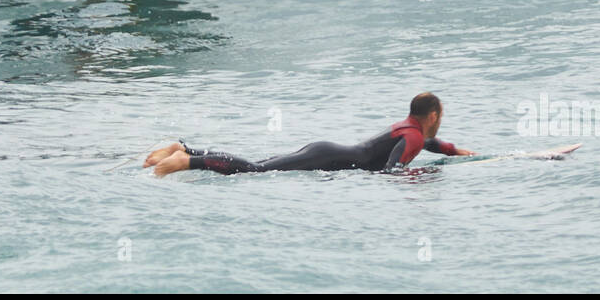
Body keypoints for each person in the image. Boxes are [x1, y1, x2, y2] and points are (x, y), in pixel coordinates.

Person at [145, 92, 475, 176]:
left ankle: (185, 149)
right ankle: (186, 163)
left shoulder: (409, 128)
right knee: (256, 171)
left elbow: (429, 143)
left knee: (260, 164)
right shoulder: (413, 137)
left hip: (327, 151)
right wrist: (419, 175)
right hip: (329, 158)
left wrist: (455, 153)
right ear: (433, 115)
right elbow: (392, 168)